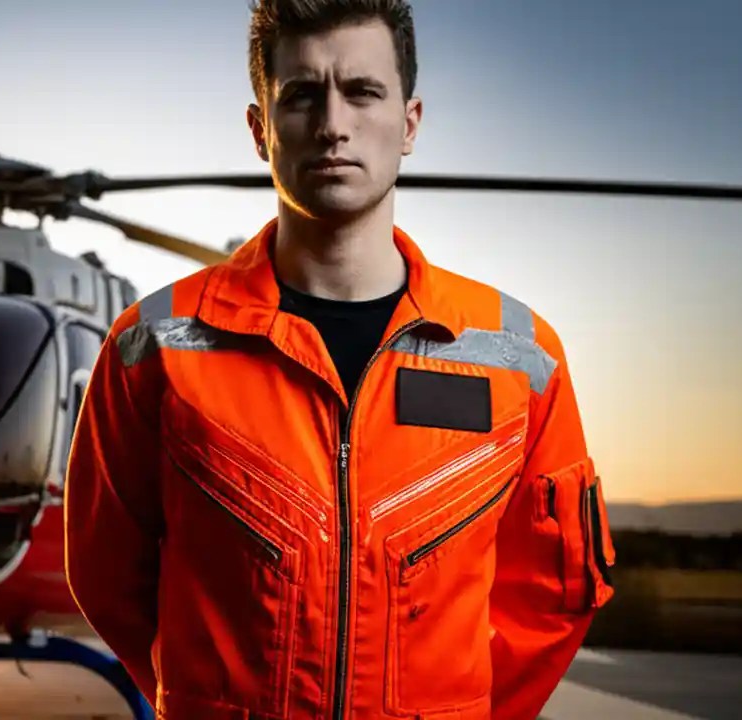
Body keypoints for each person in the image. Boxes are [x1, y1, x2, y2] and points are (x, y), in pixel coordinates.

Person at [64, 1, 615, 718]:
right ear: (261, 130)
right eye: (301, 95)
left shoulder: (520, 357)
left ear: (409, 122)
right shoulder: (154, 347)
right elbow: (109, 579)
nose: (333, 125)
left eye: (362, 91)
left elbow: (553, 595)